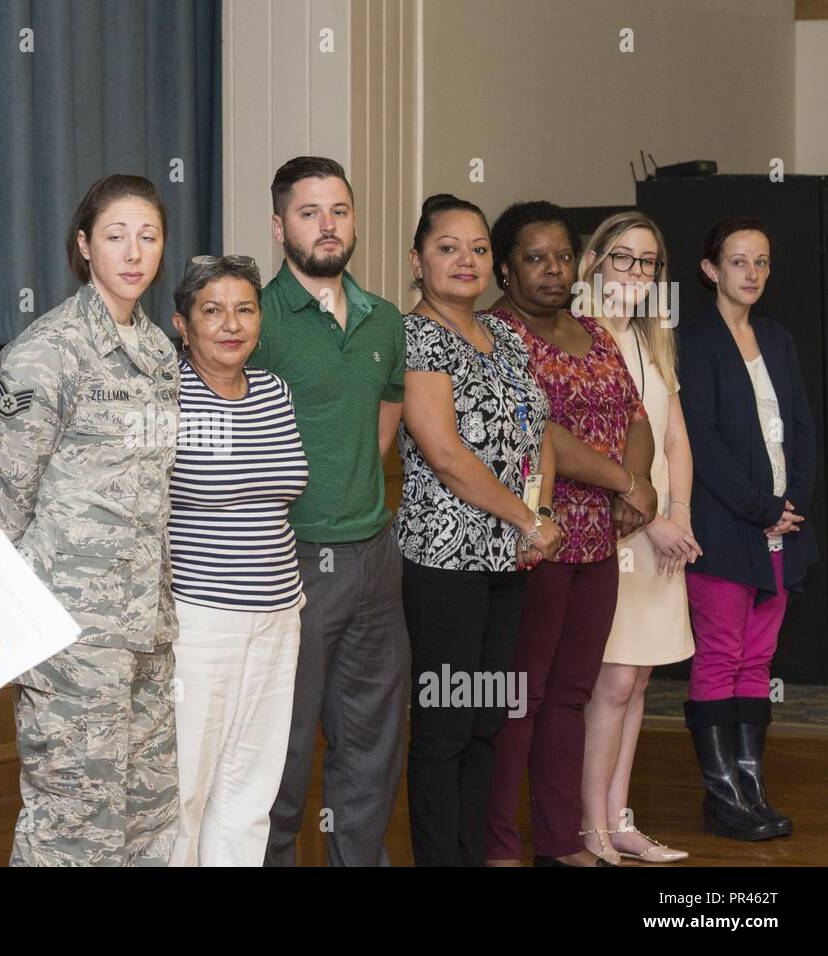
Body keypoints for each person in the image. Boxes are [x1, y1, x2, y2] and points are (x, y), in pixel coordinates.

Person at [0, 174, 180, 866]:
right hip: (71, 634)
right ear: (84, 246)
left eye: (148, 236)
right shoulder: (45, 352)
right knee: (72, 826)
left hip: (146, 626)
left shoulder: (159, 354)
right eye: (115, 235)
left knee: (145, 820)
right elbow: (0, 501)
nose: (133, 251)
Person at [483, 200, 658, 867]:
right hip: (537, 545)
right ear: (505, 267)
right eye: (535, 257)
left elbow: (633, 415)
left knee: (571, 696)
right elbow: (540, 432)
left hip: (600, 547)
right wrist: (624, 483)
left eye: (561, 256)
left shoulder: (595, 332)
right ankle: (501, 845)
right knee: (518, 700)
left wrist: (636, 486)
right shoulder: (497, 335)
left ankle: (560, 842)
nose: (552, 269)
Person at [255, 156, 410, 867]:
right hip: (290, 562)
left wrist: (353, 488)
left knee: (373, 746)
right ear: (279, 224)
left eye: (340, 211)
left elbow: (385, 411)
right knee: (282, 753)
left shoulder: (384, 318)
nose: (327, 225)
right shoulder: (254, 321)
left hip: (375, 556)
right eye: (309, 212)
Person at [398, 194, 561, 866]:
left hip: (508, 566)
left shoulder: (509, 336)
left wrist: (540, 517)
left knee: (487, 722)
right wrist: (527, 517)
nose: (465, 260)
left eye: (477, 248)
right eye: (447, 247)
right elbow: (445, 453)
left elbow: (538, 434)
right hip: (445, 568)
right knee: (444, 727)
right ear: (417, 260)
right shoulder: (416, 337)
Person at [165, 255, 308, 867]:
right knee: (185, 789)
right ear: (182, 324)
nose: (231, 323)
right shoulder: (166, 395)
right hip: (200, 619)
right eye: (212, 310)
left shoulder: (275, 390)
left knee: (252, 786)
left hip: (280, 613)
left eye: (244, 309)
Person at [680, 217, 818, 841]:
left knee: (758, 658)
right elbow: (702, 442)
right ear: (711, 270)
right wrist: (760, 506)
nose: (752, 274)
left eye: (761, 262)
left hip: (782, 529)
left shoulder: (779, 337)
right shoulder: (696, 340)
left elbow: (804, 429)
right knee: (722, 655)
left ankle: (751, 789)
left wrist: (791, 503)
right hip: (726, 527)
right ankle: (723, 798)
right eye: (738, 262)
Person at [577, 212, 697, 864]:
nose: (634, 272)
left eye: (647, 262)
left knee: (638, 681)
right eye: (622, 258)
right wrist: (653, 521)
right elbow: (588, 451)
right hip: (610, 531)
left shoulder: (653, 340)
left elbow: (675, 438)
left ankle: (620, 819)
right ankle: (589, 827)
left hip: (660, 534)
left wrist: (679, 514)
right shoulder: (581, 339)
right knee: (610, 683)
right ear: (594, 262)